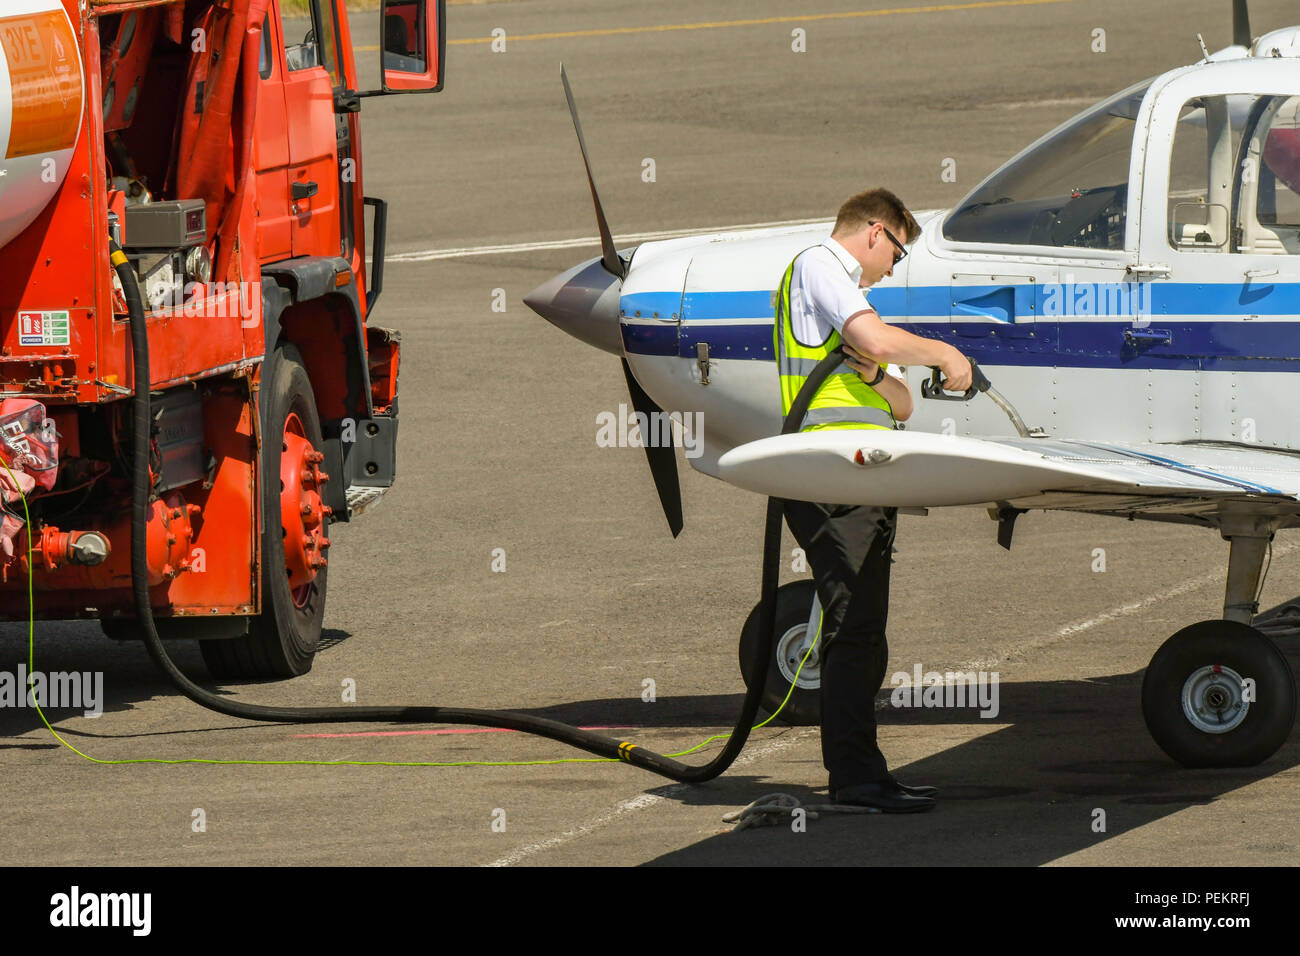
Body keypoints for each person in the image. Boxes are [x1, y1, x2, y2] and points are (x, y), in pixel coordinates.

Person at [774, 188, 972, 813]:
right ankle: (855, 779)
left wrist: (869, 375)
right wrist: (944, 353)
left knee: (864, 628)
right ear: (875, 232)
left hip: (863, 481)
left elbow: (904, 402)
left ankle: (865, 773)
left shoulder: (851, 311)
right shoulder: (819, 266)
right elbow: (878, 340)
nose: (894, 267)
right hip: (834, 475)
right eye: (899, 252)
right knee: (855, 627)